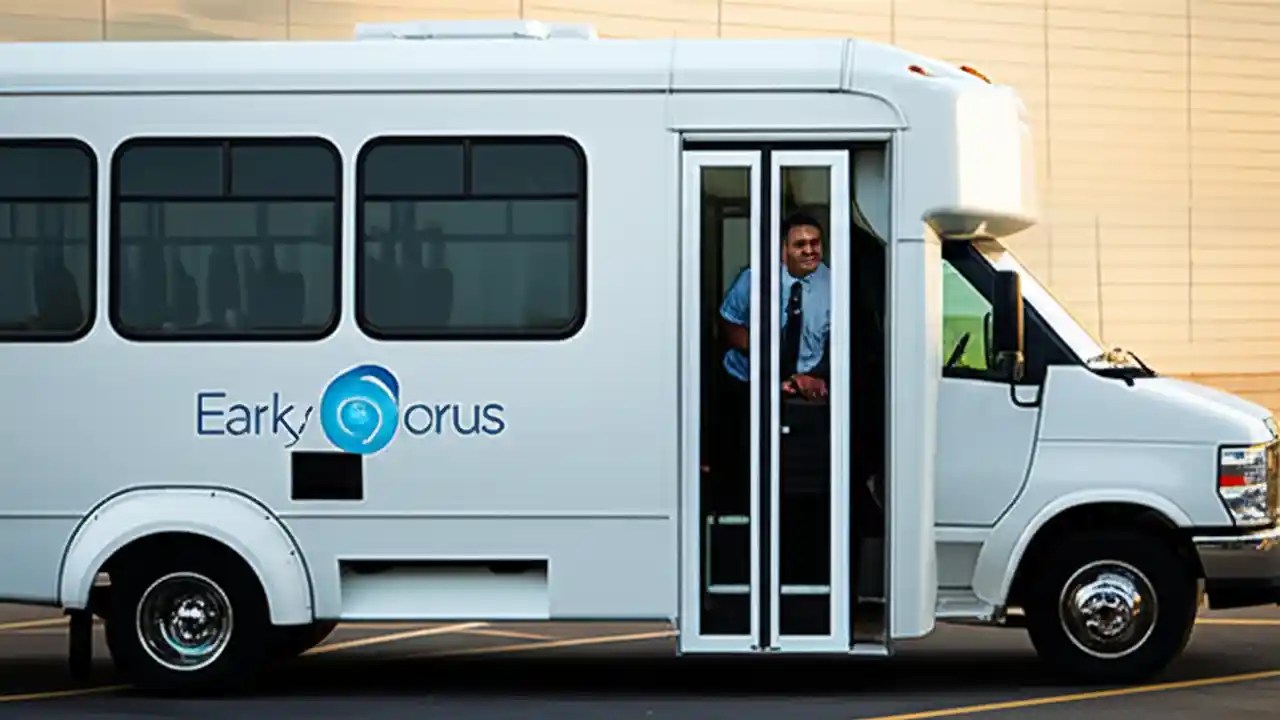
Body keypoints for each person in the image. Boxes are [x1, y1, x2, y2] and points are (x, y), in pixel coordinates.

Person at [718, 211, 831, 400]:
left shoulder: (834, 285)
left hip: (806, 386)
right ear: (784, 250)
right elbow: (729, 322)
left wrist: (815, 377)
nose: (809, 251)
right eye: (800, 244)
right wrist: (764, 357)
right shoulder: (754, 278)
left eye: (815, 243)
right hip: (749, 380)